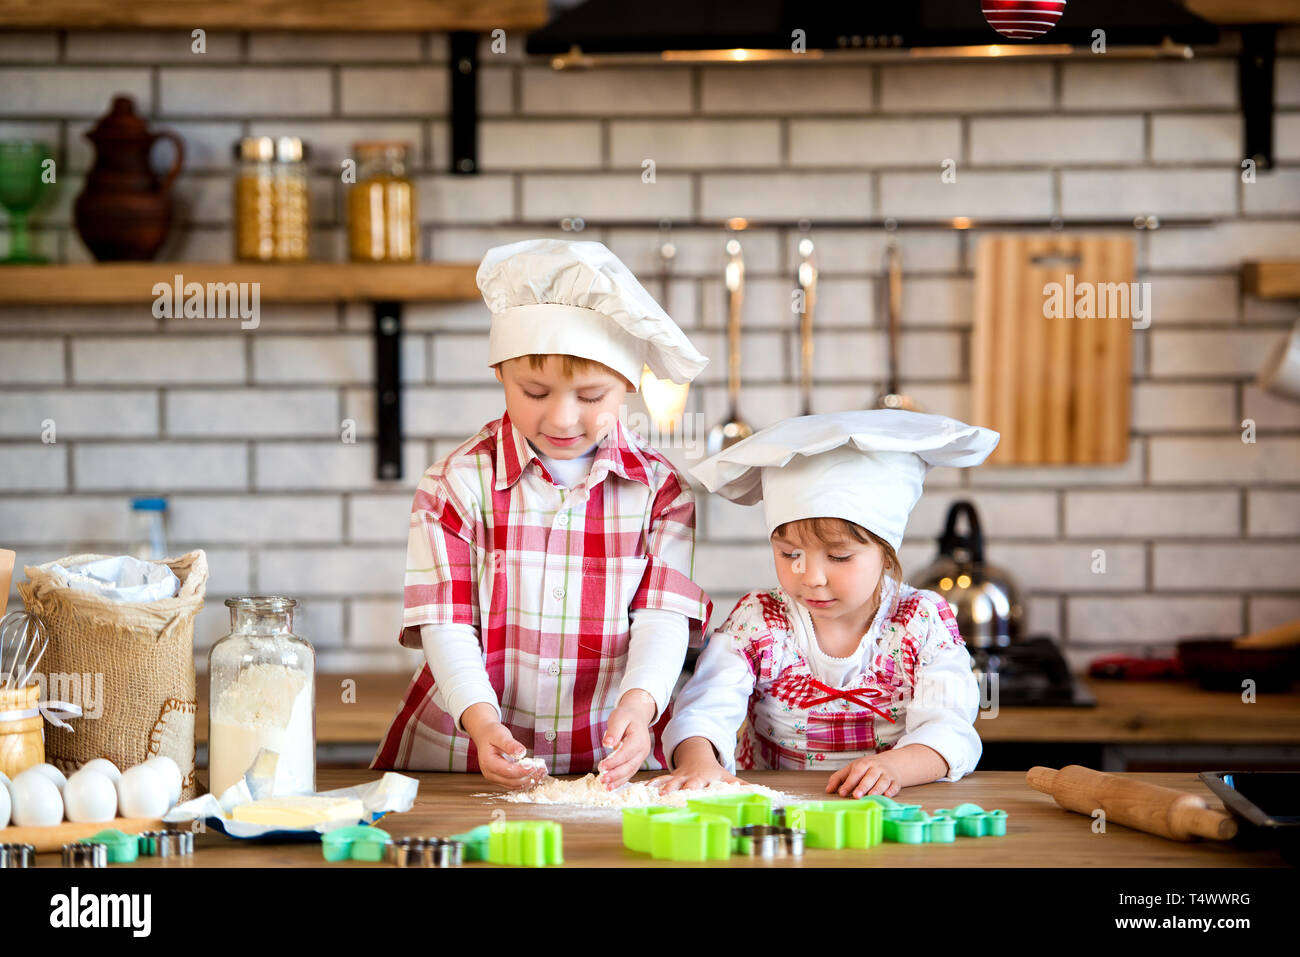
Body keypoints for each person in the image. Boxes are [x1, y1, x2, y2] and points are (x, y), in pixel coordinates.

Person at [371, 238, 711, 791]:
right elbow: (446, 625)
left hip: (606, 760)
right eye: (534, 391)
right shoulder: (454, 484)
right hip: (460, 758)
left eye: (591, 394)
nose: (561, 416)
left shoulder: (661, 491)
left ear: (628, 385)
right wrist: (484, 725)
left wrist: (642, 702)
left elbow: (662, 620)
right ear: (500, 373)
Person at [658, 409, 999, 798]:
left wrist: (894, 767)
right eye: (789, 555)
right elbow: (704, 708)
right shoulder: (758, 622)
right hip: (775, 819)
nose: (812, 577)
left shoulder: (921, 622)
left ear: (886, 553)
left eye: (838, 557)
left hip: (889, 814)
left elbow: (951, 729)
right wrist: (698, 760)